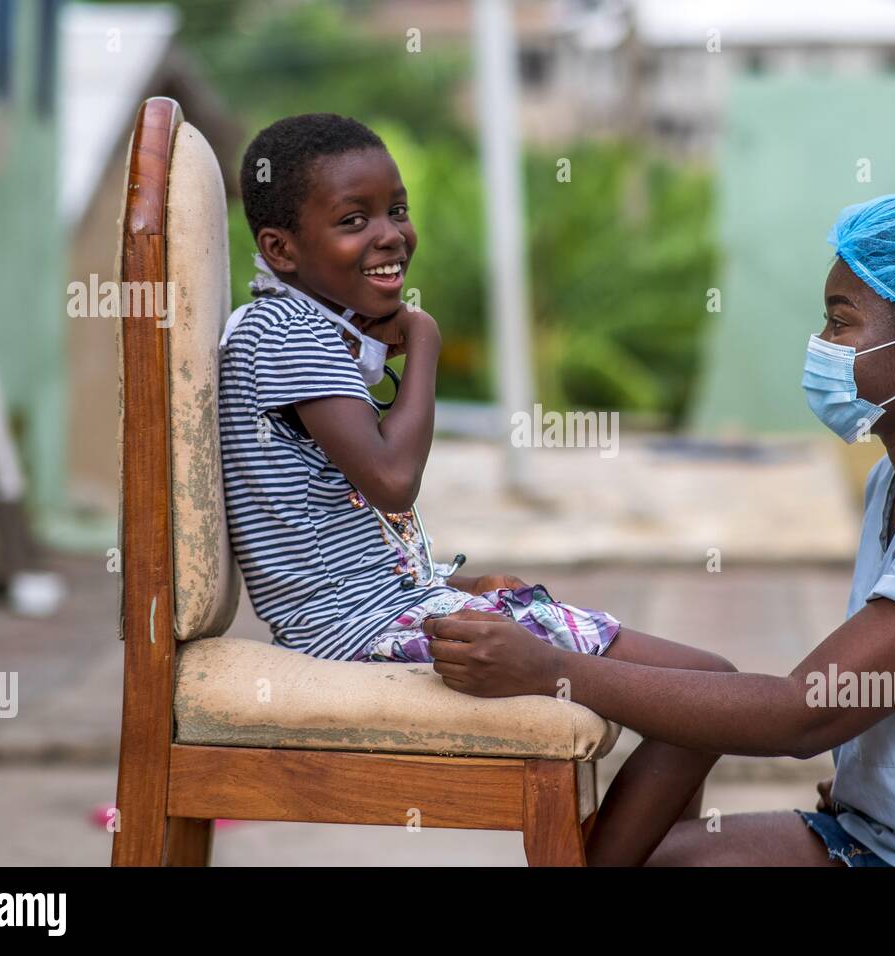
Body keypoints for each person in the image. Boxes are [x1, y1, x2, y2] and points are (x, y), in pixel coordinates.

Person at [424, 192, 895, 867]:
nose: (820, 347)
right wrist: (886, 784)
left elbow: (807, 711)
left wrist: (550, 670)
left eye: (840, 323)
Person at [217, 113, 738, 866]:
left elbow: (332, 520)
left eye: (396, 210)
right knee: (708, 693)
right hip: (360, 637)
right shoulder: (291, 332)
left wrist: (451, 583)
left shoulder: (291, 327)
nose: (390, 234)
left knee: (695, 692)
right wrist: (422, 338)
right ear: (281, 249)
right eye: (353, 220)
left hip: (379, 609)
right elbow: (393, 482)